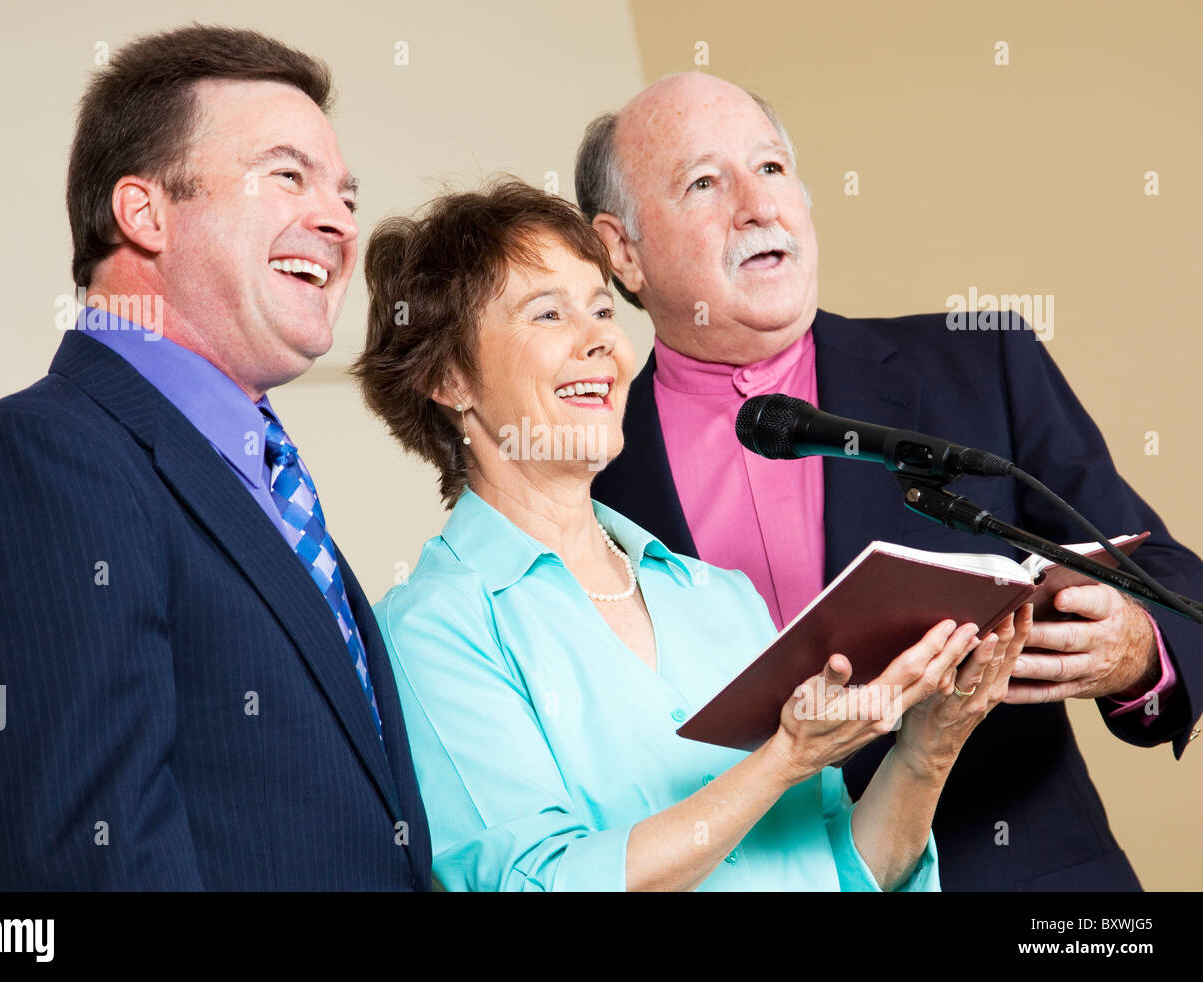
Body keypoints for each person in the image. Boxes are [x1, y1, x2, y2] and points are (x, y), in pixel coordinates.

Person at [576, 72, 1203, 891]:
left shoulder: (981, 363)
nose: (757, 207)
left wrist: (1131, 647)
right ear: (622, 250)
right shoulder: (588, 472)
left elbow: (1170, 582)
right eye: (704, 183)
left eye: (770, 169)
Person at [355, 177, 1030, 891]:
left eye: (603, 310)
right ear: (448, 376)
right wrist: (784, 760)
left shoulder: (716, 594)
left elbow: (845, 870)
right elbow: (540, 883)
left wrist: (929, 746)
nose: (602, 343)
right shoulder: (433, 627)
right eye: (549, 315)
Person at [0, 25, 430, 890]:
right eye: (287, 175)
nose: (339, 219)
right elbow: (86, 866)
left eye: (344, 191)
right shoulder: (37, 463)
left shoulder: (261, 476)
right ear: (143, 212)